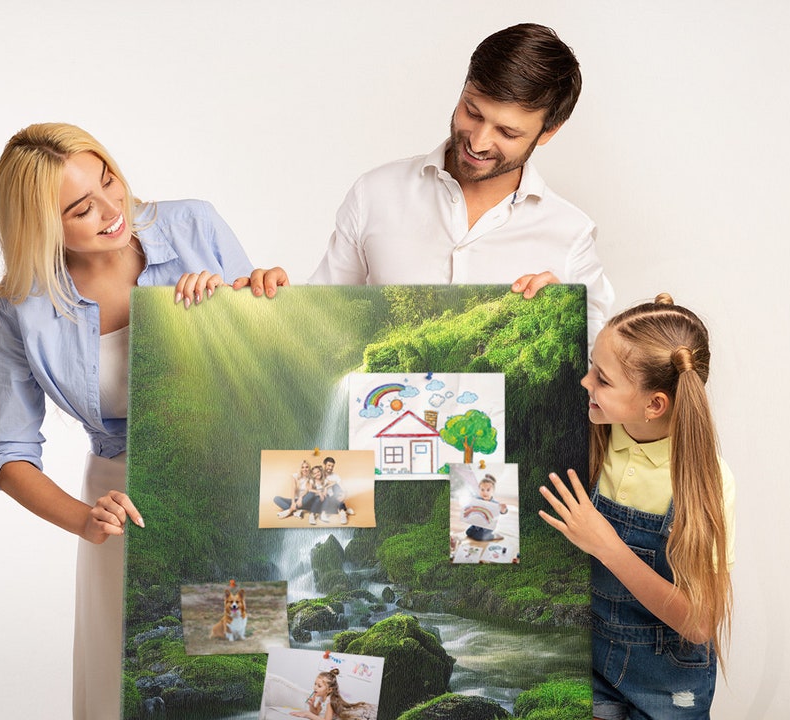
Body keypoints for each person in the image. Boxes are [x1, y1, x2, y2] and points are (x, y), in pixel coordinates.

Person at [0, 122, 285, 719]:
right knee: (127, 686)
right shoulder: (19, 305)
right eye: (80, 208)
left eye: (108, 180)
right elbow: (8, 451)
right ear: (42, 227)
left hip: (227, 491)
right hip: (120, 508)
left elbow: (268, 373)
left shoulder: (193, 224)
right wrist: (84, 520)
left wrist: (253, 297)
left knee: (239, 676)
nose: (111, 209)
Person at [308, 23, 613, 341]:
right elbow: (318, 324)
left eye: (507, 132)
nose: (478, 142)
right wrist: (262, 305)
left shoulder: (571, 234)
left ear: (549, 131)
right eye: (473, 112)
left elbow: (601, 376)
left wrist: (564, 331)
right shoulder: (375, 194)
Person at [537, 294, 735, 719]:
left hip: (670, 686)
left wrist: (607, 546)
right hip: (590, 664)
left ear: (654, 404)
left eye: (602, 380)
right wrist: (549, 307)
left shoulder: (705, 482)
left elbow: (699, 624)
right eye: (592, 367)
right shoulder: (598, 432)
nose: (586, 383)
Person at [290, 668, 368, 720]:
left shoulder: (330, 702)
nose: (315, 688)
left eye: (319, 686)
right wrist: (311, 705)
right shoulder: (321, 698)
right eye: (315, 684)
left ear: (329, 690)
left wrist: (308, 715)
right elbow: (316, 713)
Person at [463, 473, 508, 542]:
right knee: (468, 532)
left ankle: (494, 535)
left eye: (488, 490)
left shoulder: (494, 503)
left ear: (493, 491)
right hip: (476, 525)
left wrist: (503, 509)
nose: (485, 492)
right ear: (479, 490)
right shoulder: (477, 499)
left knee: (479, 537)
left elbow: (502, 512)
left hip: (487, 527)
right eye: (482, 490)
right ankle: (477, 531)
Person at [318, 456, 354, 524]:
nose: (330, 468)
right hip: (323, 499)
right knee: (334, 485)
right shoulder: (319, 474)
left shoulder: (335, 476)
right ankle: (344, 510)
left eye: (332, 466)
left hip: (333, 499)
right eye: (329, 465)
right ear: (324, 464)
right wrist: (329, 485)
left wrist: (344, 495)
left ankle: (343, 513)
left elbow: (343, 488)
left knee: (337, 487)